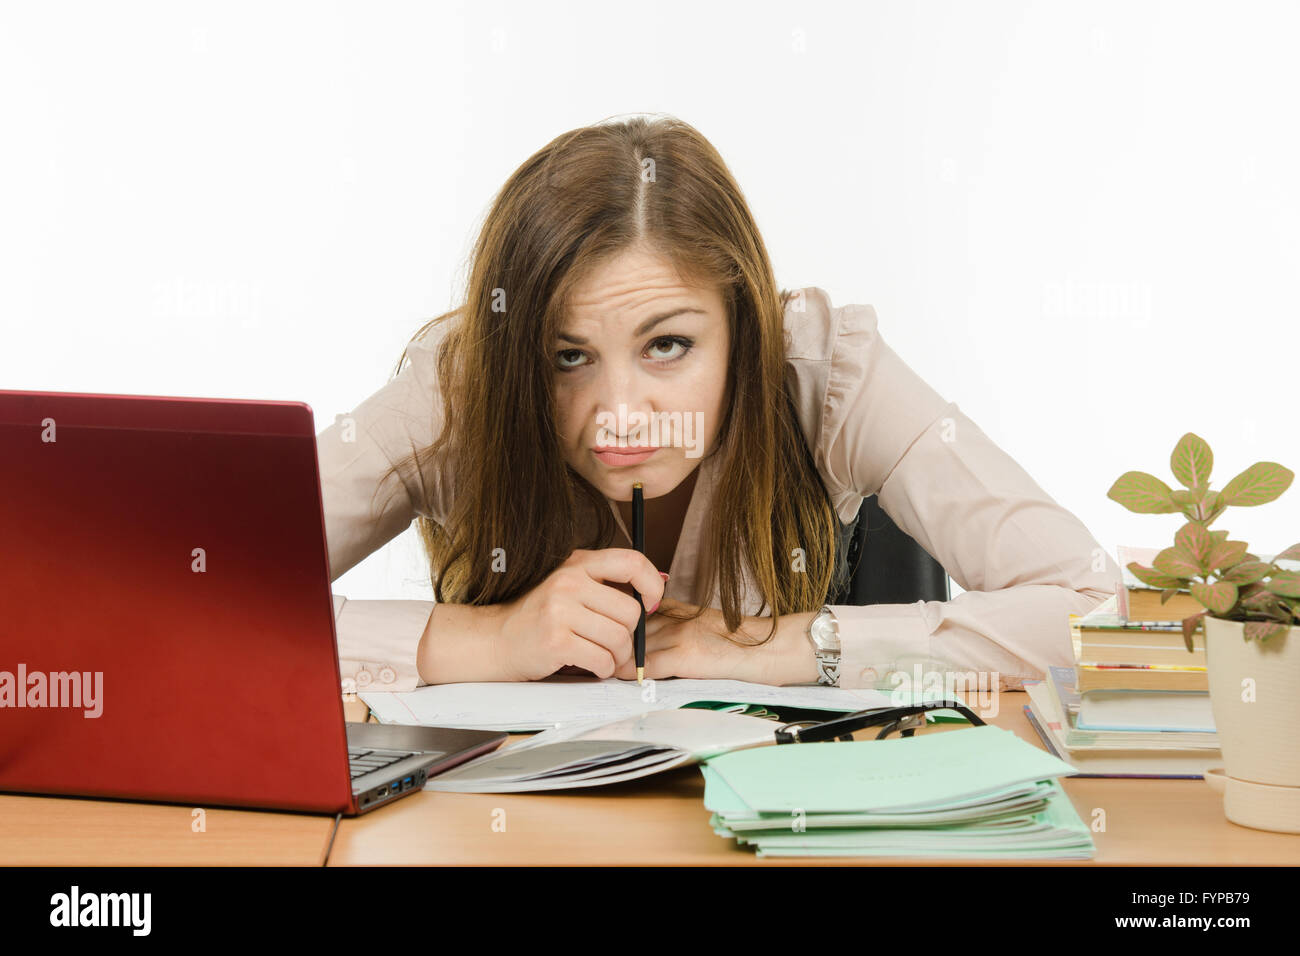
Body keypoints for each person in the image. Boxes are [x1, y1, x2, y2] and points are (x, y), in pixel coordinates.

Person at [318, 115, 1119, 695]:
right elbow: (233, 596)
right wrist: (488, 640)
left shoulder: (824, 368)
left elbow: (1095, 609)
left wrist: (786, 645)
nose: (620, 413)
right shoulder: (464, 389)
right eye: (568, 357)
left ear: (744, 325)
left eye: (667, 344)